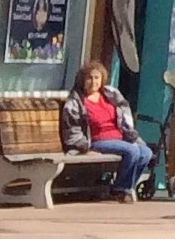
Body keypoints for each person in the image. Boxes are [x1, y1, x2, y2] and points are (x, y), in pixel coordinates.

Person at [62, 61, 156, 202]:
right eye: (89, 78)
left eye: (97, 78)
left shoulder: (110, 95)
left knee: (146, 153)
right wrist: (83, 148)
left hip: (120, 137)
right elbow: (72, 128)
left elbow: (125, 116)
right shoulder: (76, 102)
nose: (93, 82)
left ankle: (124, 187)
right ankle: (120, 190)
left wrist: (131, 135)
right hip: (96, 141)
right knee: (132, 151)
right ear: (82, 80)